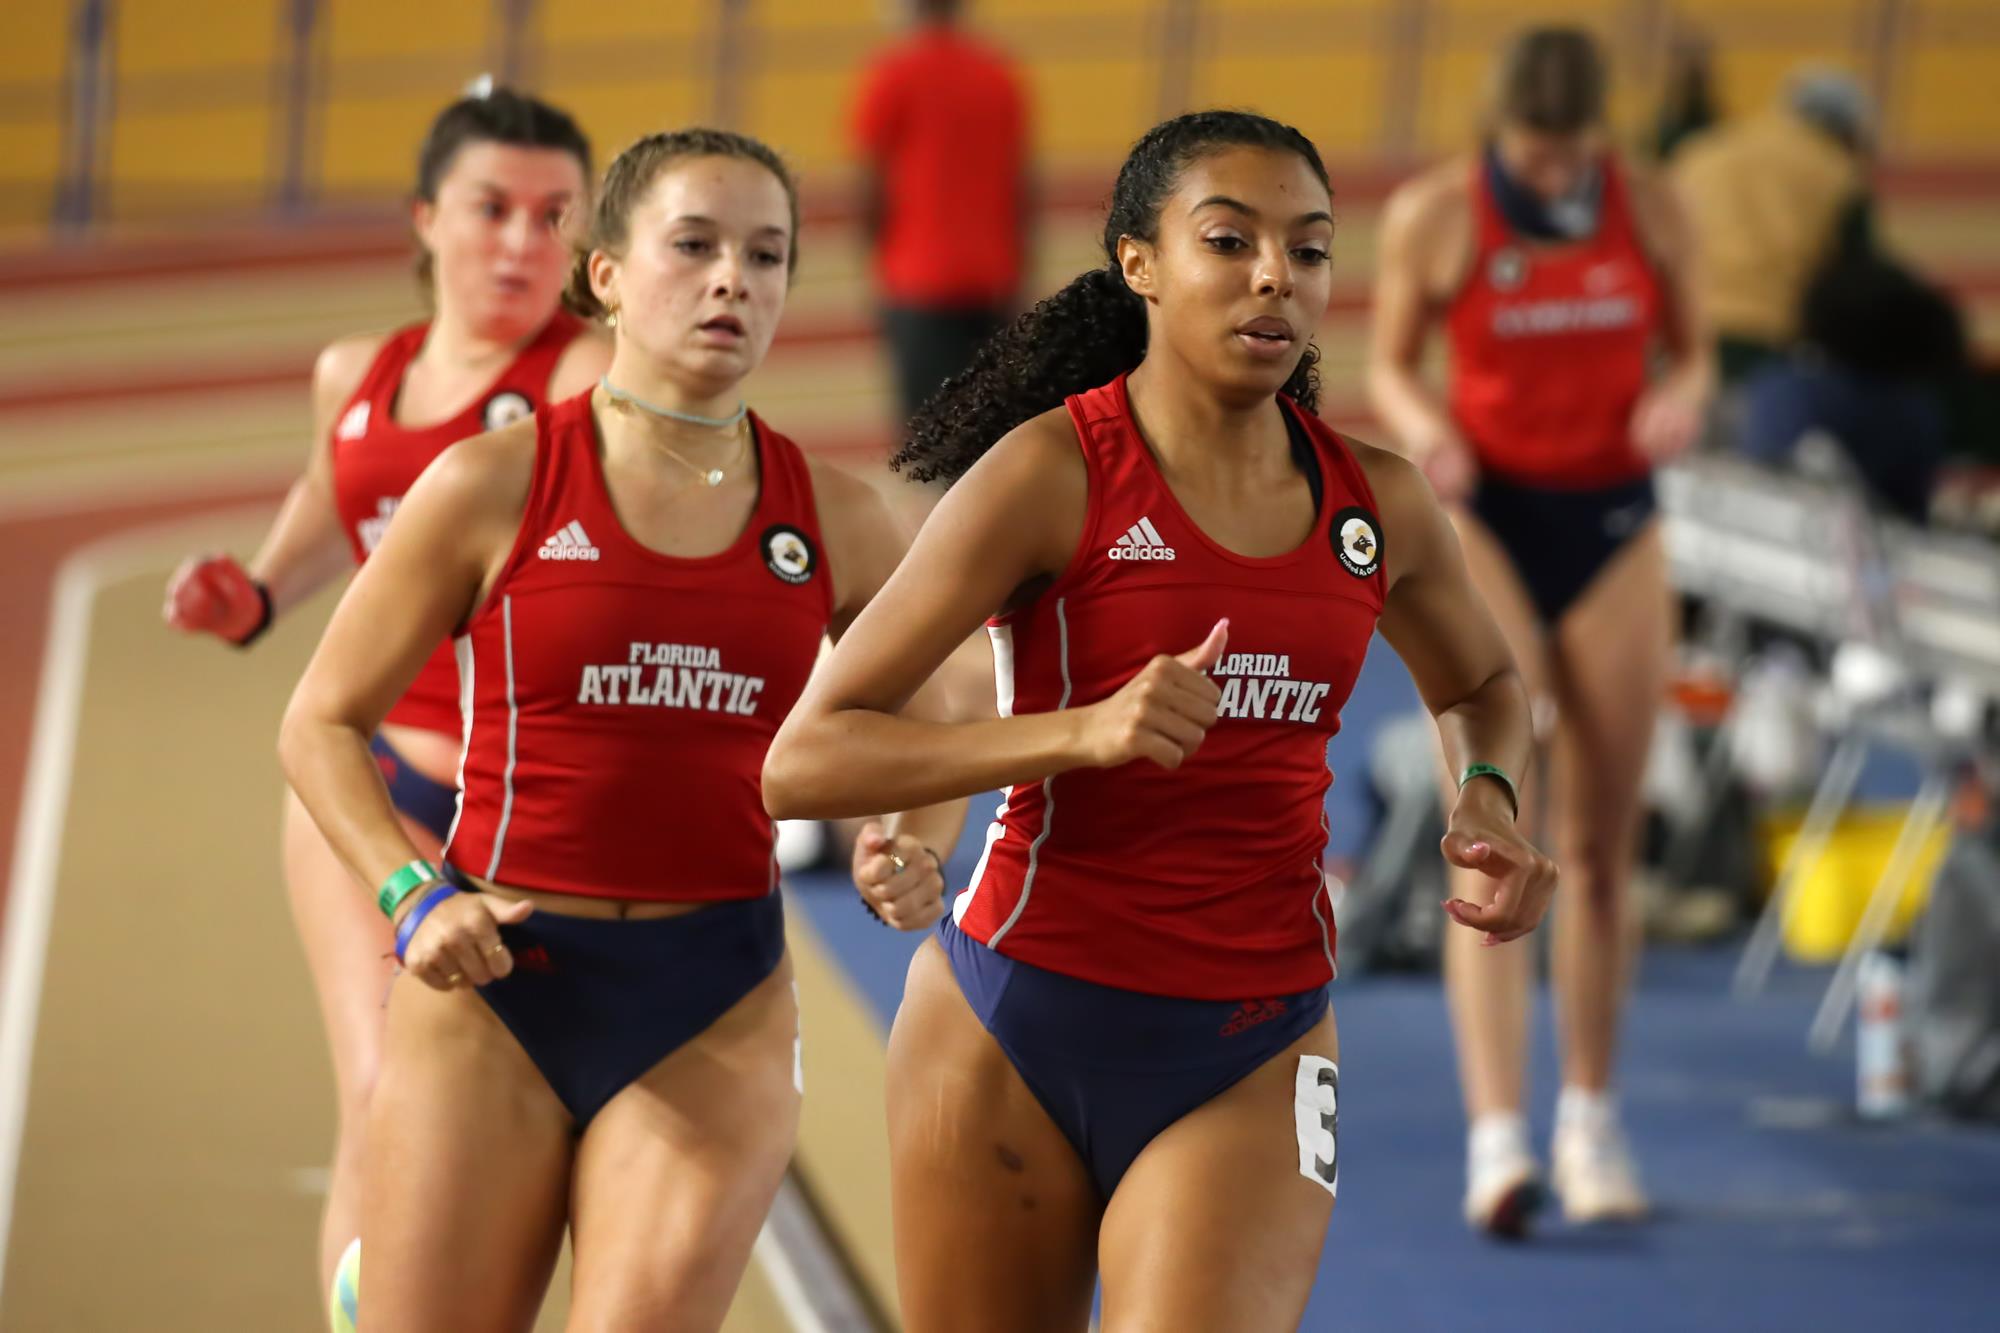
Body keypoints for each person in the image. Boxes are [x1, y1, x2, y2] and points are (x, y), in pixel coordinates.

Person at [765, 109, 1556, 1329]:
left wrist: (1488, 797)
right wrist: (1075, 733)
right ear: (1137, 262)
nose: (1273, 277)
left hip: (1254, 1042)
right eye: (1228, 240)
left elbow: (1483, 686)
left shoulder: (1376, 502)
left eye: (1308, 248)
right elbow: (805, 758)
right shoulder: (1048, 475)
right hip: (1008, 1028)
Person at [278, 127, 946, 1330]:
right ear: (605, 275)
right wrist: (410, 896)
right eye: (692, 246)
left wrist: (918, 833)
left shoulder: (834, 515)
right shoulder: (492, 484)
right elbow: (320, 721)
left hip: (712, 999)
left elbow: (946, 692)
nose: (733, 280)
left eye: (766, 254)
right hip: (497, 984)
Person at [160, 85, 604, 1295]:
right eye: (491, 208)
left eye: (555, 214)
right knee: (378, 1088)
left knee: (533, 1129)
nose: (522, 241)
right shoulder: (354, 371)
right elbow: (335, 492)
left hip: (536, 816)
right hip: (374, 788)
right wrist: (251, 592)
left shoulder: (587, 374)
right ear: (425, 219)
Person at [1367, 26, 1712, 1235]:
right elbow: (1388, 364)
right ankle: (1497, 1136)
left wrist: (1678, 394)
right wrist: (1429, 432)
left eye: (1575, 160)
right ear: (1499, 135)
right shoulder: (1439, 216)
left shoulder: (1649, 207)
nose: (1558, 181)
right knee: (1500, 815)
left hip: (1614, 525)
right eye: (1538, 158)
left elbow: (1697, 349)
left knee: (1605, 843)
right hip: (1490, 520)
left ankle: (1589, 1116)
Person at [850, 0, 1031, 421]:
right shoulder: (997, 73)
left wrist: (871, 257)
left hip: (917, 277)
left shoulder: (893, 73)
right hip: (991, 274)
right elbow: (1019, 183)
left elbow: (871, 183)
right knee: (987, 427)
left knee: (929, 435)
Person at [1673, 67, 1873, 382]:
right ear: (1847, 130)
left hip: (1683, 335)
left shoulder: (1700, 152)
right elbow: (1858, 278)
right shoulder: (1837, 172)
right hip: (1769, 343)